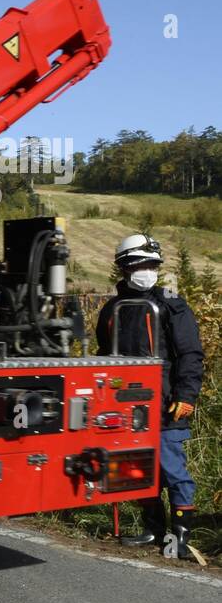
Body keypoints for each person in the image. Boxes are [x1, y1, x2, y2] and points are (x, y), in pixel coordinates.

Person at [96, 234, 203, 559]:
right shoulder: (113, 308)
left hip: (167, 402)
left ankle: (180, 537)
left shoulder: (172, 305)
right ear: (125, 267)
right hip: (127, 405)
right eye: (141, 264)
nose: (148, 270)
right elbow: (104, 353)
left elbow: (190, 354)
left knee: (173, 469)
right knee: (138, 468)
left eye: (152, 265)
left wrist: (186, 395)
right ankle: (153, 529)